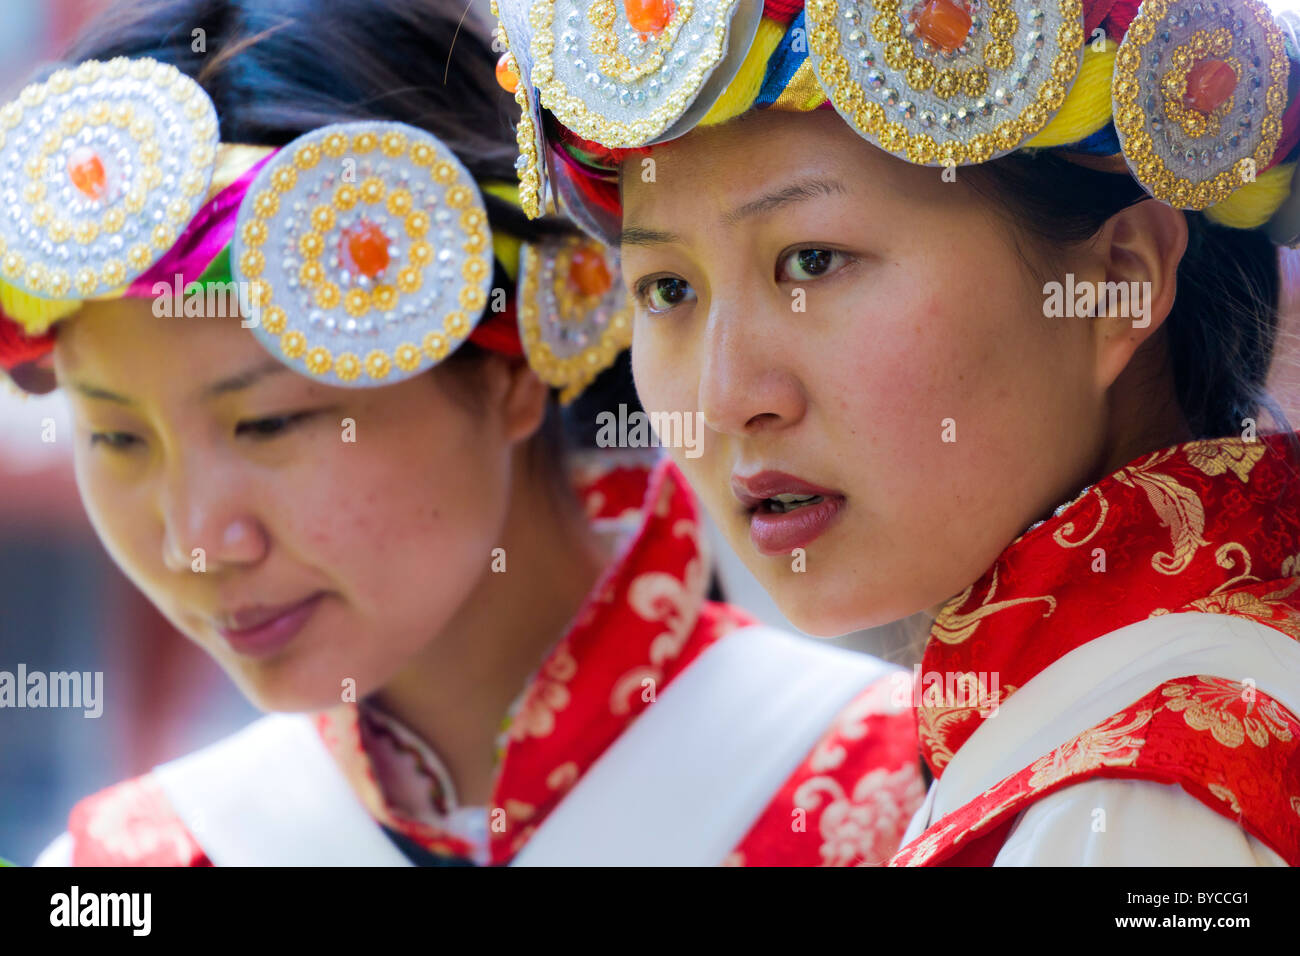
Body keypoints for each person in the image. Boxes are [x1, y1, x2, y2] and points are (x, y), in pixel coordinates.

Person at [5, 0, 923, 866]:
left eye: (270, 422)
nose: (197, 542)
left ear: (515, 363)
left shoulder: (917, 801)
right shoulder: (136, 865)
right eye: (117, 438)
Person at [494, 0, 1300, 864]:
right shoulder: (1118, 735)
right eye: (667, 290)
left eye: (812, 260)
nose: (726, 397)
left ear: (1117, 282)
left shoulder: (1137, 807)